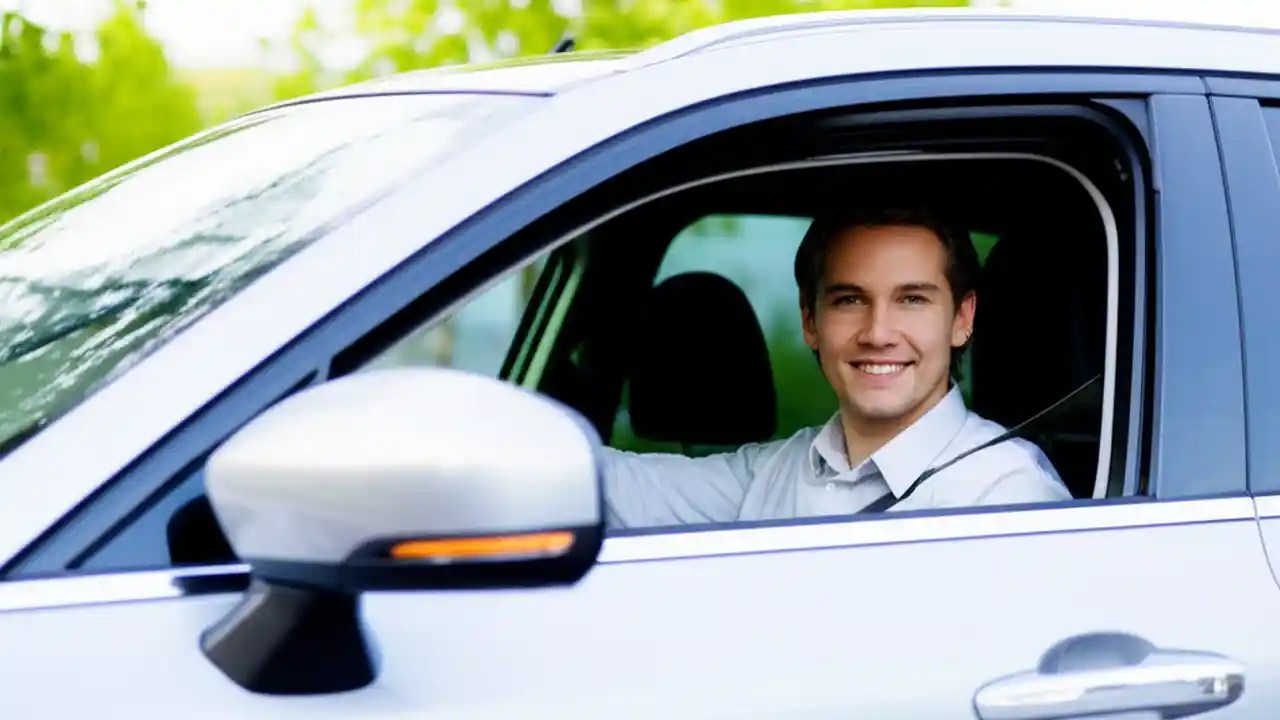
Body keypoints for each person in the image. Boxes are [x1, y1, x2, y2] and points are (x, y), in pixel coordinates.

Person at [602, 206, 1070, 529]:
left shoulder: (1004, 492)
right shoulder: (775, 471)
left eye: (911, 300)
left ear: (962, 319)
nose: (878, 332)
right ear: (810, 321)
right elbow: (600, 484)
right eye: (850, 300)